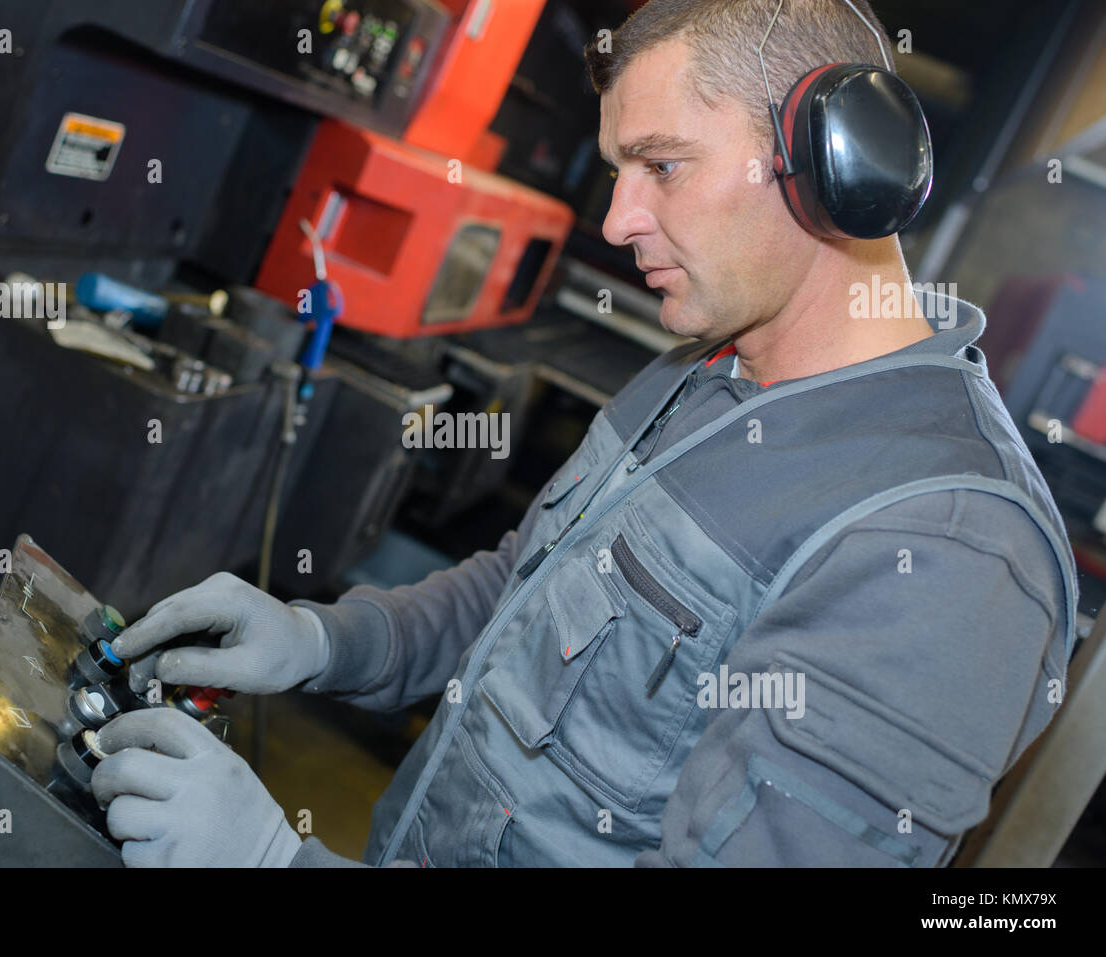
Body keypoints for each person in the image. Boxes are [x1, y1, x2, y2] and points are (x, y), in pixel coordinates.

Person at [90, 0, 1078, 867]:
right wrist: (324, 640)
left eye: (661, 165)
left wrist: (275, 861)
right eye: (618, 171)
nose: (615, 220)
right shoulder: (696, 369)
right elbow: (527, 587)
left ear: (836, 160)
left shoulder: (945, 548)